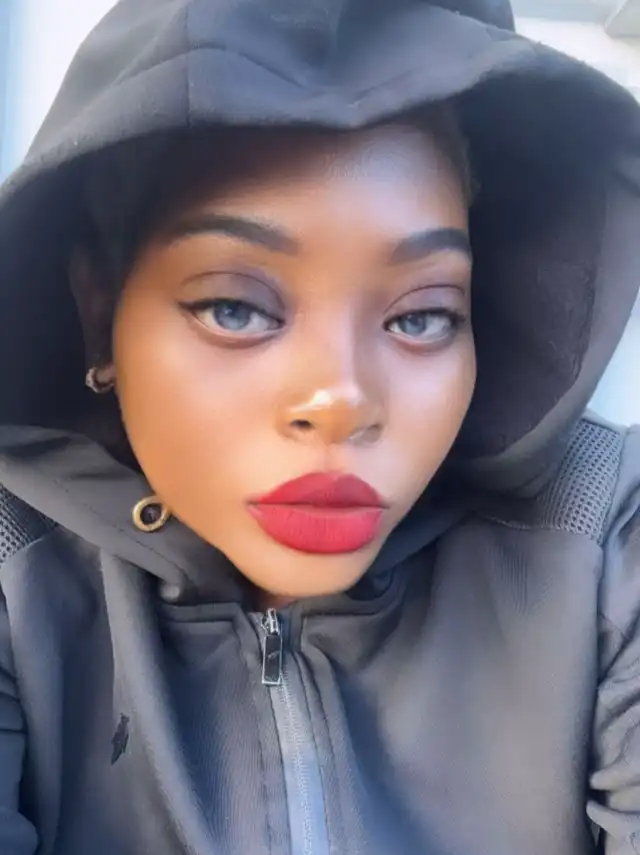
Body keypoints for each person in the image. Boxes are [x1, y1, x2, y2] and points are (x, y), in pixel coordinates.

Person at [0, 0, 639, 852]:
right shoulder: (15, 568)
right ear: (98, 312)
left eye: (420, 316)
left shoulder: (604, 538)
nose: (340, 399)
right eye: (234, 307)